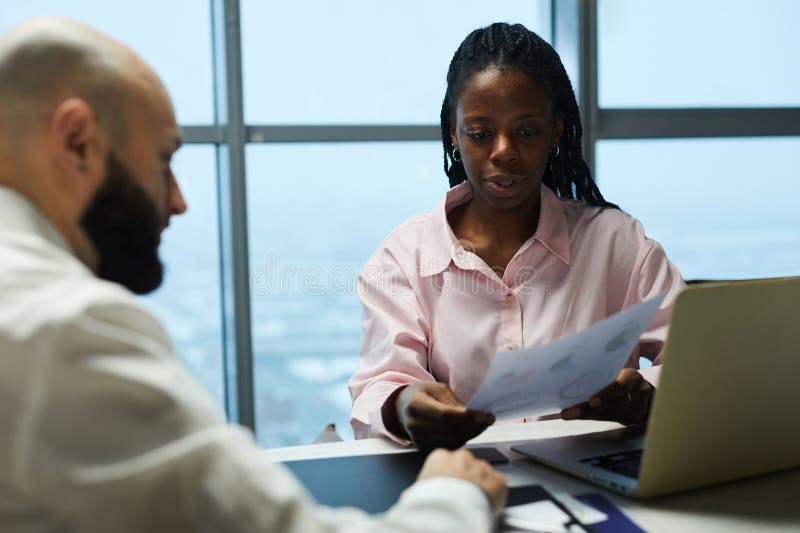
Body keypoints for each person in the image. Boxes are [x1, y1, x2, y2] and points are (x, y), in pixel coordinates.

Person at [0, 17, 506, 533]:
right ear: (77, 142)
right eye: (162, 159)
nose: (177, 201)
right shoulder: (61, 328)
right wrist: (455, 495)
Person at [349, 22, 684, 450]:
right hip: (460, 478)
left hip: (590, 476)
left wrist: (647, 394)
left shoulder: (618, 244)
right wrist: (403, 405)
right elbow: (378, 387)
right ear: (454, 134)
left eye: (526, 132)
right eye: (480, 133)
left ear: (555, 132)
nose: (504, 151)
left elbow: (697, 359)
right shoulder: (404, 257)